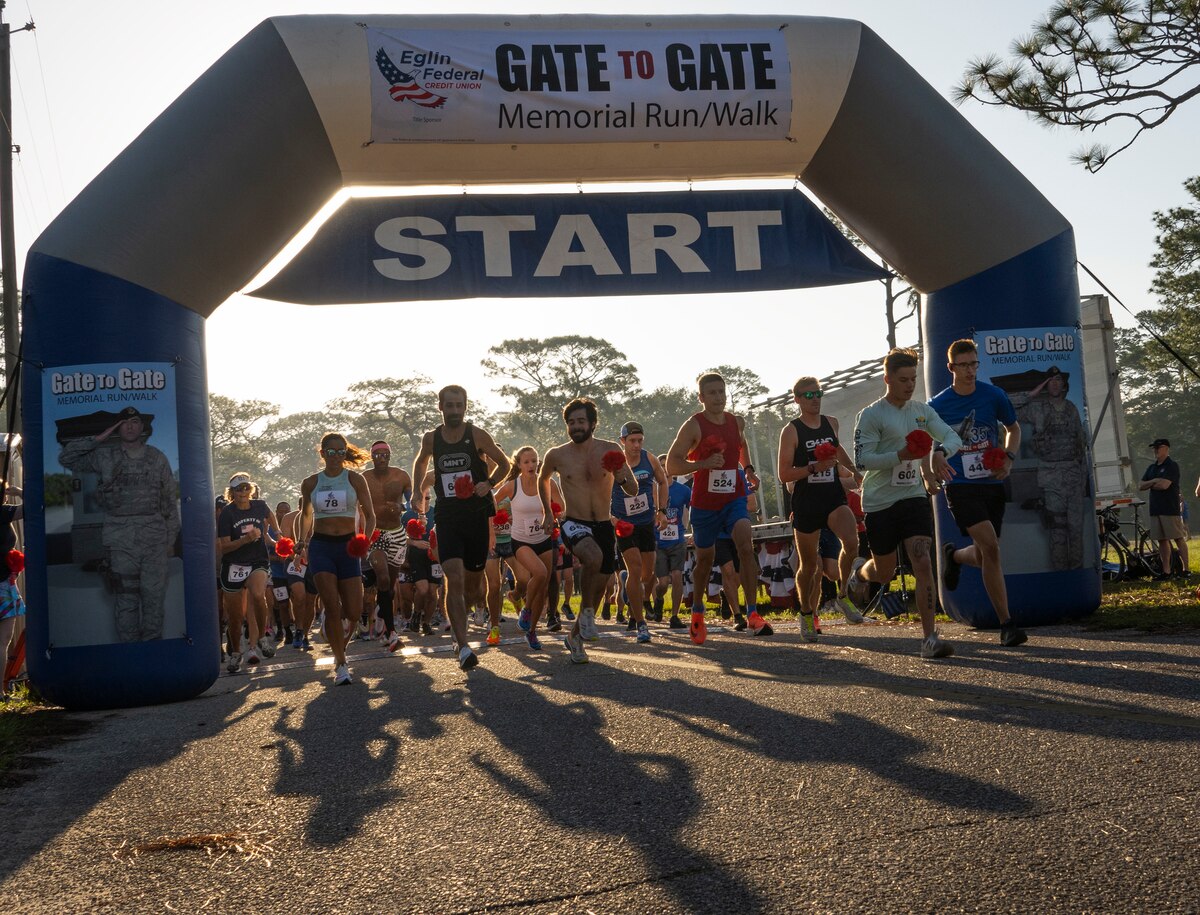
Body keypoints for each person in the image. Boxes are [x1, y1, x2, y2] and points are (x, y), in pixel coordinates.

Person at [849, 348, 962, 659]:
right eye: (903, 380)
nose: (910, 385)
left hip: (912, 496)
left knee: (922, 561)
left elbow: (952, 437)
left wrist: (940, 452)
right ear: (887, 379)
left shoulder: (921, 411)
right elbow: (862, 460)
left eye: (913, 379)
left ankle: (929, 639)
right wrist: (900, 455)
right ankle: (860, 574)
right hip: (879, 502)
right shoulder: (871, 415)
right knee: (884, 572)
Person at [930, 340, 1028, 646]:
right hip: (960, 485)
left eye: (974, 364)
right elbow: (928, 443)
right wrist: (934, 460)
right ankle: (1007, 624)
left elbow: (1013, 429)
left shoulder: (993, 395)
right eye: (964, 365)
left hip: (991, 482)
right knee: (992, 548)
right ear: (951, 368)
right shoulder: (938, 405)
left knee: (986, 550)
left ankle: (955, 556)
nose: (970, 371)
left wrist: (1009, 458)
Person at [58, 406, 180, 642]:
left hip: (154, 539)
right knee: (126, 597)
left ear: (141, 427)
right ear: (117, 427)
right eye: (124, 423)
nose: (130, 427)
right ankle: (130, 650)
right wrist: (98, 439)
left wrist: (170, 540)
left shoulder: (157, 458)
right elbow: (67, 458)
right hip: (121, 540)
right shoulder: (105, 456)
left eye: (135, 422)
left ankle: (152, 649)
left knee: (153, 597)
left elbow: (169, 501)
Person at [539, 397, 647, 663]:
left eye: (581, 421)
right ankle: (587, 614)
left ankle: (575, 636)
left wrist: (620, 475)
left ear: (592, 423)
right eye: (571, 422)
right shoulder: (557, 454)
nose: (575, 426)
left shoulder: (610, 450)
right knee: (593, 556)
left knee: (599, 586)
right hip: (573, 521)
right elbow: (543, 479)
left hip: (602, 524)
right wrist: (548, 512)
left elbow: (633, 489)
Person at [411, 385, 510, 671]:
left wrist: (489, 484)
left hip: (477, 515)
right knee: (453, 577)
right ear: (440, 407)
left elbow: (505, 464)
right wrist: (417, 490)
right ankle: (462, 644)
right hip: (448, 516)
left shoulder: (476, 435)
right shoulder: (431, 438)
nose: (455, 411)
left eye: (459, 405)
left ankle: (460, 625)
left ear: (465, 407)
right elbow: (421, 462)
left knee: (474, 586)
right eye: (449, 405)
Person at [666, 372, 765, 644]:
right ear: (701, 397)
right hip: (705, 503)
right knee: (705, 561)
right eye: (712, 393)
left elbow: (741, 444)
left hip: (734, 497)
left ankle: (753, 613)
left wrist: (748, 468)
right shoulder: (693, 426)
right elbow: (672, 464)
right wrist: (702, 464)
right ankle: (697, 610)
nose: (718, 397)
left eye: (721, 391)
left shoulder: (736, 421)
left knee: (746, 545)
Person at [777, 375, 863, 642]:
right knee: (809, 565)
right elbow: (783, 474)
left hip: (832, 498)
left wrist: (853, 471)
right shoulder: (791, 431)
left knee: (852, 543)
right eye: (809, 395)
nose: (815, 400)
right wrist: (814, 468)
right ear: (797, 399)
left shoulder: (831, 423)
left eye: (818, 394)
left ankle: (842, 595)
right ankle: (806, 612)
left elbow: (838, 450)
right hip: (806, 503)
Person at [297, 432, 375, 685]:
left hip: (348, 547)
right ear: (322, 454)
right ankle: (340, 663)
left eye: (341, 451)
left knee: (353, 612)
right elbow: (306, 515)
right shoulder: (311, 483)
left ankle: (336, 636)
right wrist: (301, 540)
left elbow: (370, 515)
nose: (336, 456)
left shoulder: (355, 479)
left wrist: (364, 541)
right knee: (331, 605)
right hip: (321, 547)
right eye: (331, 452)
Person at [1016, 365, 1088, 570]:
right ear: (1045, 385)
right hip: (1051, 477)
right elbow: (1008, 409)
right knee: (1057, 529)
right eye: (1050, 381)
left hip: (1073, 476)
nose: (1055, 384)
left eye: (1058, 381)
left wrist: (1082, 480)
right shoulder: (1036, 409)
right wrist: (1031, 394)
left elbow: (1081, 445)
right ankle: (1060, 574)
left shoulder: (1072, 409)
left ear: (1064, 385)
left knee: (1076, 529)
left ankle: (1076, 575)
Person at [495, 446, 560, 650]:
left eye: (534, 461)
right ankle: (527, 610)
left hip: (544, 538)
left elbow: (561, 506)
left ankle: (531, 632)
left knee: (542, 587)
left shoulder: (548, 483)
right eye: (526, 462)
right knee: (540, 573)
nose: (531, 465)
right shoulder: (512, 486)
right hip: (521, 540)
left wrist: (555, 514)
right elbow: (492, 503)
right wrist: (500, 518)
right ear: (519, 465)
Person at [217, 473, 281, 671]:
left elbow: (270, 515)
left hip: (257, 561)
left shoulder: (260, 505)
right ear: (232, 492)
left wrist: (278, 533)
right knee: (235, 616)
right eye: (238, 489)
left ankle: (261, 637)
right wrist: (246, 539)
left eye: (246, 487)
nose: (243, 492)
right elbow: (223, 546)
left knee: (258, 594)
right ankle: (236, 653)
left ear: (251, 489)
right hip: (233, 564)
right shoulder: (227, 513)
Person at [610, 422, 669, 631]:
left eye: (640, 441)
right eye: (632, 441)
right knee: (634, 570)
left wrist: (662, 511)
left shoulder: (649, 458)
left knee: (648, 574)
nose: (636, 445)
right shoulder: (614, 464)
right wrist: (611, 517)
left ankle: (637, 599)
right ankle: (637, 619)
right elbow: (600, 492)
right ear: (622, 441)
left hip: (646, 523)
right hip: (624, 524)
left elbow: (663, 482)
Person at [363, 441, 411, 651]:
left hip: (397, 534)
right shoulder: (364, 478)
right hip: (375, 533)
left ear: (390, 456)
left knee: (389, 588)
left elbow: (412, 501)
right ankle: (392, 633)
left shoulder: (401, 476)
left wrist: (401, 506)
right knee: (382, 578)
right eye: (377, 455)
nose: (381, 458)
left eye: (385, 454)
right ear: (371, 457)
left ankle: (382, 614)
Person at [653, 456, 691, 629]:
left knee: (677, 576)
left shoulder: (683, 490)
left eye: (666, 466)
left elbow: (694, 508)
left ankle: (675, 616)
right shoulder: (653, 490)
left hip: (677, 539)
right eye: (660, 466)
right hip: (658, 542)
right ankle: (659, 598)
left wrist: (694, 530)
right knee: (662, 582)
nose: (664, 469)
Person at [1142, 438, 1189, 579]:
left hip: (1170, 508)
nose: (1156, 450)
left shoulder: (1172, 465)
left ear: (1166, 448)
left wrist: (1151, 484)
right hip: (1155, 508)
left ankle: (1186, 570)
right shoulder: (1152, 468)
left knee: (1178, 538)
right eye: (1154, 448)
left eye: (1158, 447)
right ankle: (1166, 571)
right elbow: (1141, 485)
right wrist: (1155, 481)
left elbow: (1164, 485)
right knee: (1162, 540)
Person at [0, 482, 24, 695]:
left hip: (5, 584)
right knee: (2, 642)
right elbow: (34, 506)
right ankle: (0, 692)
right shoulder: (3, 512)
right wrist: (19, 492)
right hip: (3, 587)